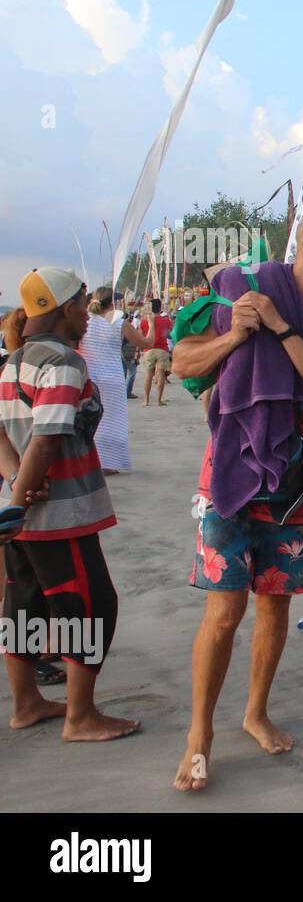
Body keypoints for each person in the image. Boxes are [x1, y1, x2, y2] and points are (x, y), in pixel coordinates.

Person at [172, 209, 303, 792]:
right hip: (230, 475)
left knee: (275, 604)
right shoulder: (239, 293)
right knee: (224, 611)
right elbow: (184, 362)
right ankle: (199, 735)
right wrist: (235, 334)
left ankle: (255, 712)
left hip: (298, 485)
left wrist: (280, 328)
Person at [0, 270, 141, 743]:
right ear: (65, 310)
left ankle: (26, 704)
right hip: (58, 513)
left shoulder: (14, 359)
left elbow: (5, 433)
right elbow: (48, 435)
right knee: (90, 605)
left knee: (24, 604)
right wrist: (24, 492)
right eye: (83, 306)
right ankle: (80, 716)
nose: (88, 315)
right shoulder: (63, 363)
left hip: (17, 513)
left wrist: (13, 483)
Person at [78, 286, 148, 474]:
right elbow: (145, 343)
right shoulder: (118, 322)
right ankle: (108, 463)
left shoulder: (84, 321)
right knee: (112, 420)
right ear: (112, 304)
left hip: (90, 378)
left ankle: (90, 462)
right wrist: (153, 325)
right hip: (113, 378)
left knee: (90, 420)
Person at [139, 298, 173, 407]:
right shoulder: (165, 320)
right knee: (161, 374)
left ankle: (146, 400)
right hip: (162, 349)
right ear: (160, 307)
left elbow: (141, 334)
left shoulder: (144, 320)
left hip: (149, 350)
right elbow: (170, 333)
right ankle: (159, 400)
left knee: (148, 374)